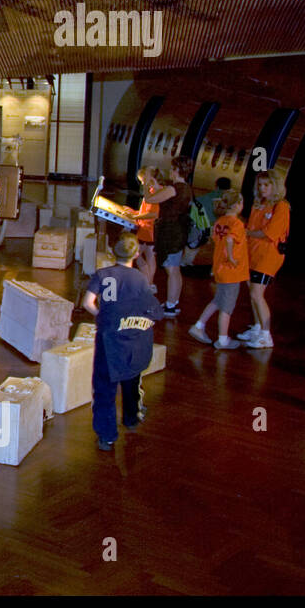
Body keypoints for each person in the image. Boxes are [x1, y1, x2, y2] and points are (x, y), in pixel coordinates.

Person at [81, 234, 164, 451]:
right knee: (131, 378)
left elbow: (87, 302)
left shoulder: (102, 274)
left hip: (108, 338)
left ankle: (107, 436)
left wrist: (100, 315)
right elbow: (152, 308)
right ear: (136, 254)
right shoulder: (140, 278)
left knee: (103, 388)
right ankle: (131, 418)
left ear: (112, 251)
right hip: (132, 338)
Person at [188, 189, 249, 349]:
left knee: (217, 301)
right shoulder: (237, 224)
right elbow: (229, 239)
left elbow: (215, 240)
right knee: (227, 307)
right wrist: (231, 257)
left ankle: (199, 326)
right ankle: (223, 339)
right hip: (231, 271)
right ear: (237, 205)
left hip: (219, 268)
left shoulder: (220, 221)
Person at [237, 172, 290, 349]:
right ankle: (258, 327)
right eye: (260, 185)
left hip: (267, 257)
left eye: (266, 185)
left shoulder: (281, 207)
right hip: (252, 254)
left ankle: (266, 335)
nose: (262, 189)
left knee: (256, 294)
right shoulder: (259, 204)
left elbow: (269, 234)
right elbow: (252, 227)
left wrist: (246, 233)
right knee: (253, 294)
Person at [139, 156, 194, 317]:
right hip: (179, 231)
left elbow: (150, 198)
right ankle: (173, 303)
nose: (170, 171)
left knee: (171, 269)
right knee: (175, 269)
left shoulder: (174, 188)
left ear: (177, 171)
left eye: (172, 169)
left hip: (171, 233)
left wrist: (146, 184)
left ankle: (170, 306)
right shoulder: (185, 188)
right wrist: (156, 187)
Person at [132, 166, 160, 288]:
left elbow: (153, 213)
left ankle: (147, 281)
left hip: (147, 230)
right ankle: (150, 282)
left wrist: (136, 216)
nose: (142, 183)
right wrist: (136, 213)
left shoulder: (153, 193)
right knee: (150, 255)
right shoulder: (155, 191)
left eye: (142, 180)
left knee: (136, 254)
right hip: (150, 229)